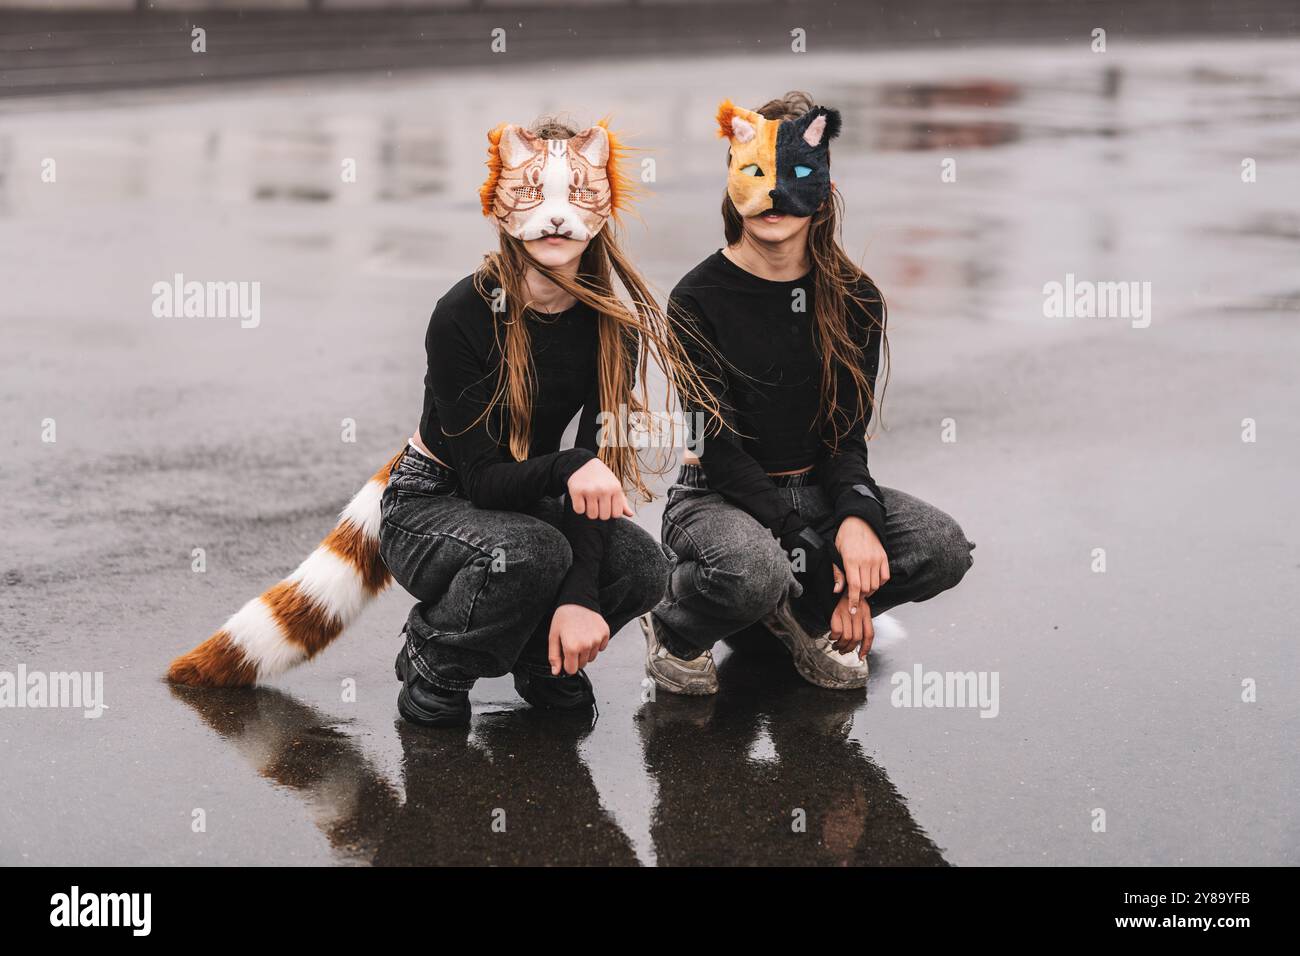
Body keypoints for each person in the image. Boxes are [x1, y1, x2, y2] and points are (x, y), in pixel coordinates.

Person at [642, 92, 975, 696]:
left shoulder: (855, 297)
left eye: (795, 176)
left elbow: (845, 438)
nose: (775, 199)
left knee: (940, 547)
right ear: (734, 181)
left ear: (822, 189)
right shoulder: (696, 299)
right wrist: (824, 566)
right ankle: (680, 624)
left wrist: (855, 517)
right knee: (753, 569)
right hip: (719, 496)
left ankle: (797, 613)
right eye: (757, 176)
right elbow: (711, 446)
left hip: (817, 487)